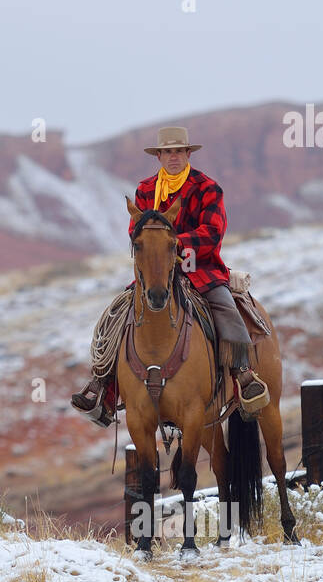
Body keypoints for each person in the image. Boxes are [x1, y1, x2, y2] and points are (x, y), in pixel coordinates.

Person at [71, 125, 269, 425]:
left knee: (225, 308)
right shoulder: (145, 190)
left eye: (179, 151)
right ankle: (103, 388)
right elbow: (135, 231)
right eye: (167, 152)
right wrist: (153, 248)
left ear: (188, 154)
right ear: (159, 156)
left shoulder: (208, 188)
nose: (173, 157)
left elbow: (213, 232)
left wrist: (175, 243)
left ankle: (243, 374)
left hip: (199, 269)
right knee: (116, 316)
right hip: (156, 273)